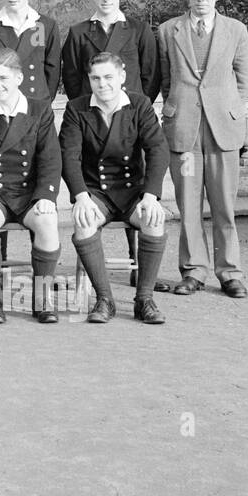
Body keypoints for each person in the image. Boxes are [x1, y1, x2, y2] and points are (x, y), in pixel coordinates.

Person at [156, 0, 248, 299]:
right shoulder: (168, 30)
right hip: (183, 128)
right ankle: (194, 271)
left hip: (222, 128)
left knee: (224, 206)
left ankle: (230, 273)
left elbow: (242, 79)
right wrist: (177, 106)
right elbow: (166, 79)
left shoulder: (236, 30)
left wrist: (229, 109)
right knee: (188, 206)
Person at [61, 0, 161, 283]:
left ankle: (140, 269)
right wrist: (90, 116)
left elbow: (151, 75)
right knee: (95, 184)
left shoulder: (138, 29)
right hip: (91, 121)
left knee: (136, 183)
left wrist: (132, 110)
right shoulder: (78, 32)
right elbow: (74, 79)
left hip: (130, 122)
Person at [59, 53, 171, 324]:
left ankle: (144, 299)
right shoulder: (77, 108)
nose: (102, 84)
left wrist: (151, 195)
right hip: (96, 192)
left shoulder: (140, 105)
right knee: (83, 222)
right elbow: (68, 156)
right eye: (96, 78)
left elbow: (157, 149)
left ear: (121, 77)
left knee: (154, 219)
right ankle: (104, 299)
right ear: (89, 80)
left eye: (109, 77)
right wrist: (81, 196)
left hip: (133, 190)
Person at [0, 49, 62, 325]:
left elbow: (50, 158)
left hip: (30, 193)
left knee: (48, 221)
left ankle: (42, 299)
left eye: (3, 78)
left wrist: (46, 196)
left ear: (19, 77)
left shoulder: (39, 109)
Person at [61, 0, 159, 101]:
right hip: (91, 110)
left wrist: (140, 108)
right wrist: (83, 106)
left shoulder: (140, 30)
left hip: (130, 110)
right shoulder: (78, 33)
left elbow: (152, 75)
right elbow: (71, 78)